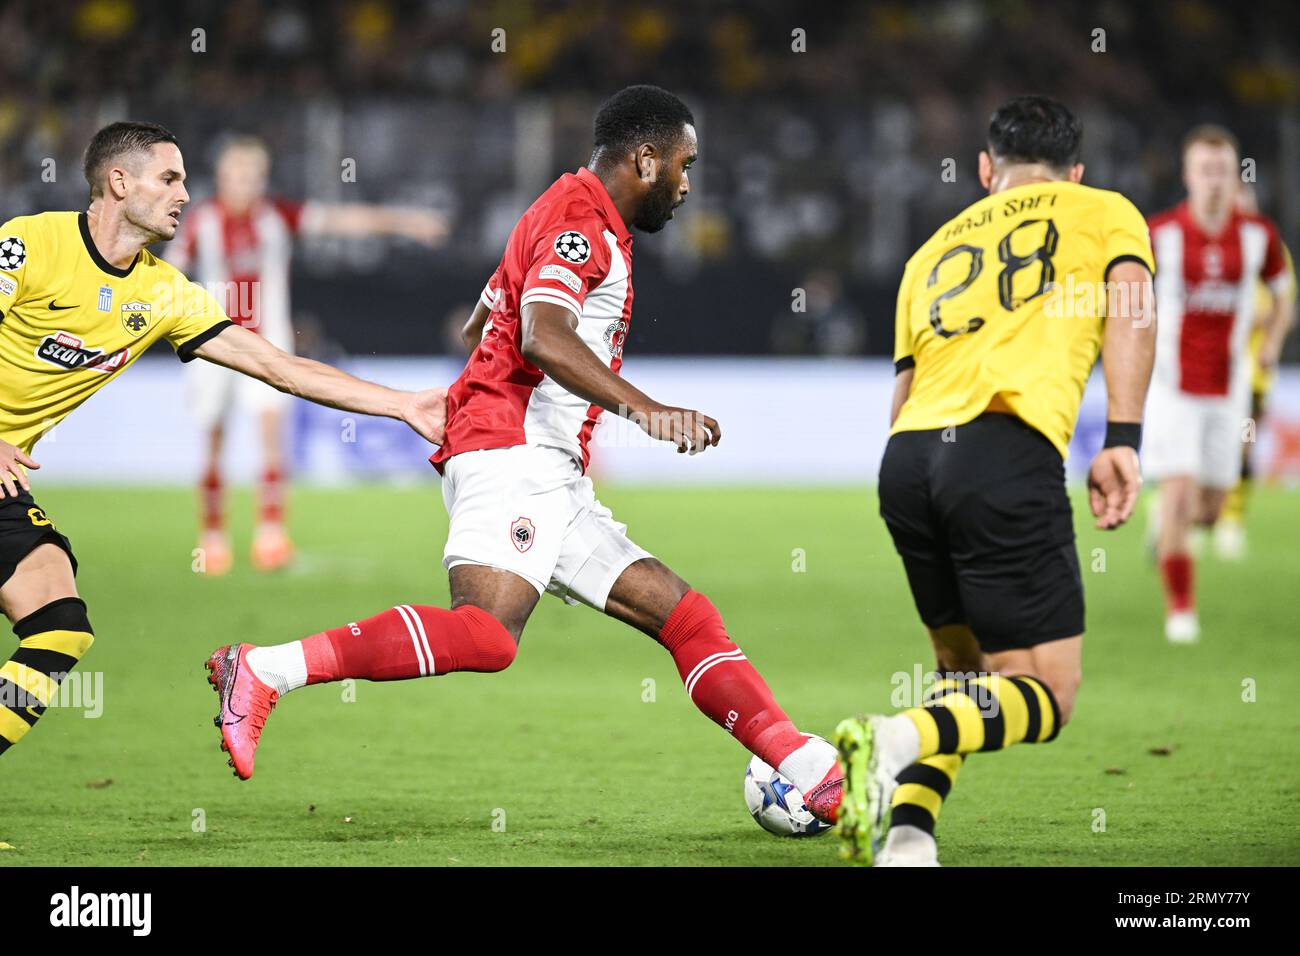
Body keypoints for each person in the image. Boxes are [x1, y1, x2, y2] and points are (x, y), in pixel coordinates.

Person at [203, 86, 845, 825]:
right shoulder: (580, 222)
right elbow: (541, 332)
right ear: (645, 157)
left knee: (686, 618)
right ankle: (263, 669)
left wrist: (489, 386)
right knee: (486, 634)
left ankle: (802, 766)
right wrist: (645, 411)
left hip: (540, 463)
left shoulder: (559, 207)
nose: (687, 184)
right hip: (515, 453)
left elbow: (483, 320)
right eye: (682, 164)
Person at [0, 121, 446, 758]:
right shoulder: (30, 243)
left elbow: (281, 368)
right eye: (170, 178)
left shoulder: (163, 294)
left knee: (60, 627)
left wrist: (401, 404)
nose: (186, 193)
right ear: (119, 182)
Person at [833, 96, 1156, 866]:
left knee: (964, 672)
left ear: (986, 170)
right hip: (1003, 449)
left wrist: (921, 492)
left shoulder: (930, 252)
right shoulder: (1103, 210)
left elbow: (904, 395)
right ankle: (889, 739)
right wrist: (1124, 440)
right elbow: (1134, 307)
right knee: (1047, 694)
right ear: (1074, 171)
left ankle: (908, 838)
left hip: (909, 463)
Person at [168, 135, 447, 574]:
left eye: (253, 175)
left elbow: (343, 220)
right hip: (213, 345)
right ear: (221, 177)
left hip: (268, 347)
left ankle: (271, 536)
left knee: (271, 442)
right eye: (237, 174)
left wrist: (406, 222)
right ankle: (213, 538)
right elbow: (168, 272)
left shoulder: (276, 216)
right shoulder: (200, 221)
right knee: (215, 442)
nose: (245, 184)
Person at [1145, 126, 1292, 642]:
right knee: (1182, 492)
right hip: (1172, 389)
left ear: (1237, 177)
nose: (1214, 181)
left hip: (1230, 390)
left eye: (1223, 171)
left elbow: (1283, 289)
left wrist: (1272, 340)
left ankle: (1162, 519)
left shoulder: (1258, 235)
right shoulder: (1158, 233)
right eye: (1205, 170)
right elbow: (1121, 291)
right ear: (1187, 176)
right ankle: (1180, 611)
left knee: (1210, 505)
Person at [1211, 186, 1296, 560]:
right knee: (1207, 448)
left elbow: (1285, 306)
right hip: (1213, 372)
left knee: (1243, 446)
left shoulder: (1271, 251)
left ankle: (1231, 520)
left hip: (1254, 375)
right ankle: (1187, 515)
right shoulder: (1213, 252)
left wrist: (1271, 343)